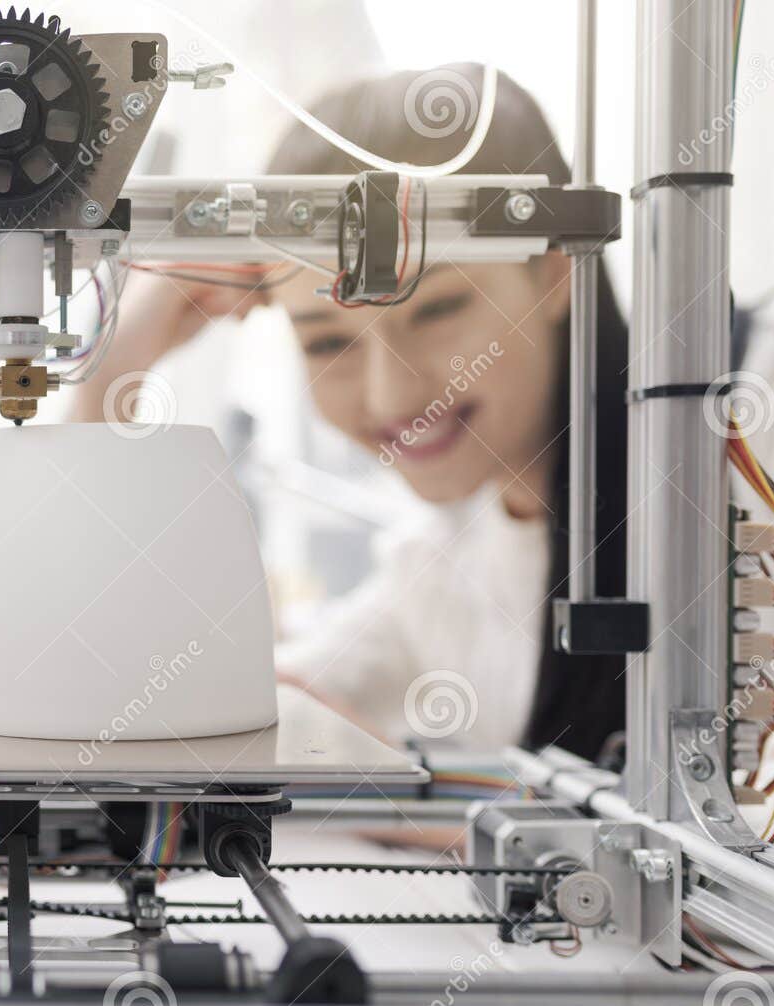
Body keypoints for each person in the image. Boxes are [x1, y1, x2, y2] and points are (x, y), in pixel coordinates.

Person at [72, 65, 631, 761]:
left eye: (438, 310)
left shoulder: (758, 423)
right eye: (328, 342)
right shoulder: (440, 569)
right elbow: (165, 713)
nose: (391, 398)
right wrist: (113, 372)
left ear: (556, 273)